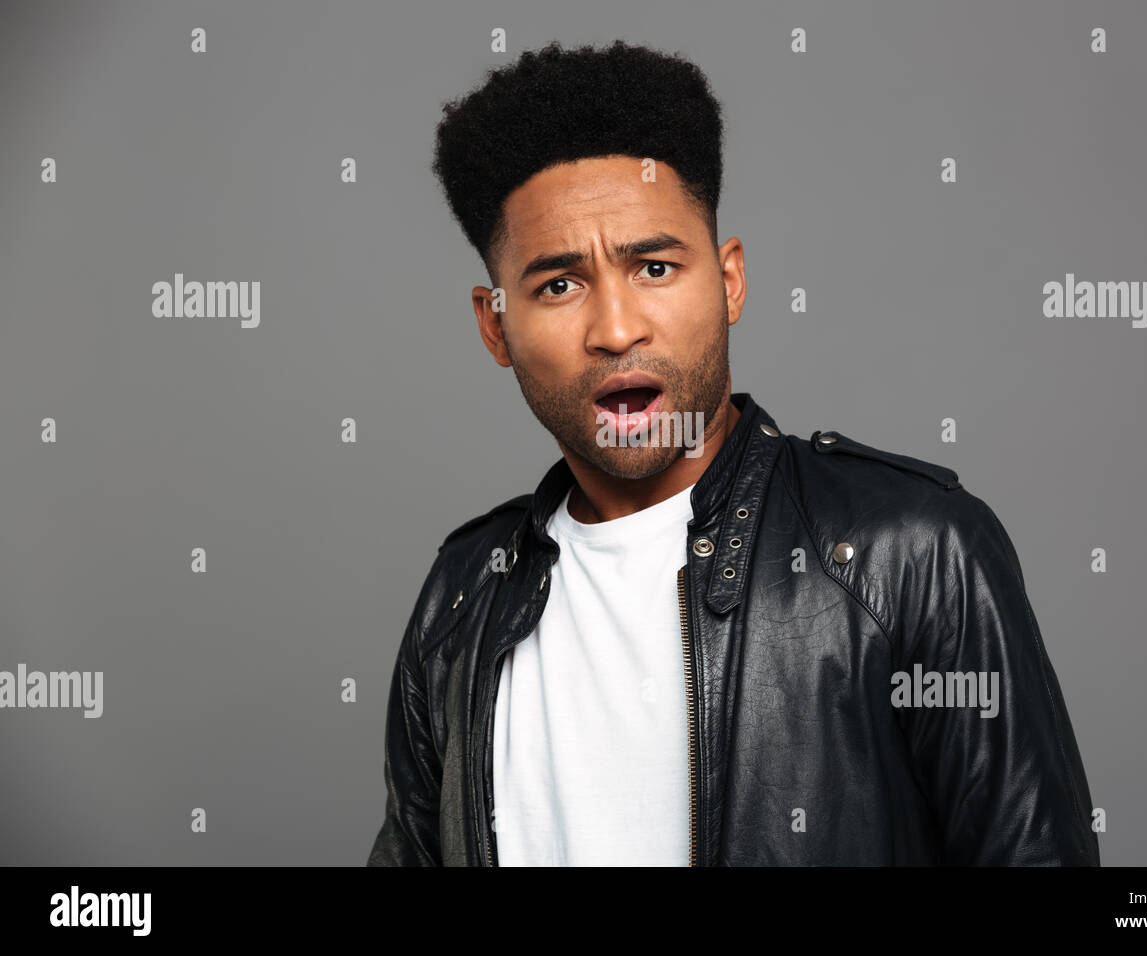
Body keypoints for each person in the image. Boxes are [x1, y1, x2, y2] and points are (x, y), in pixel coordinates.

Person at [367, 39, 1100, 866]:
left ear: (729, 283)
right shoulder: (461, 603)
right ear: (496, 325)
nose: (615, 328)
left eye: (653, 265)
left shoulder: (912, 552)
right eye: (558, 285)